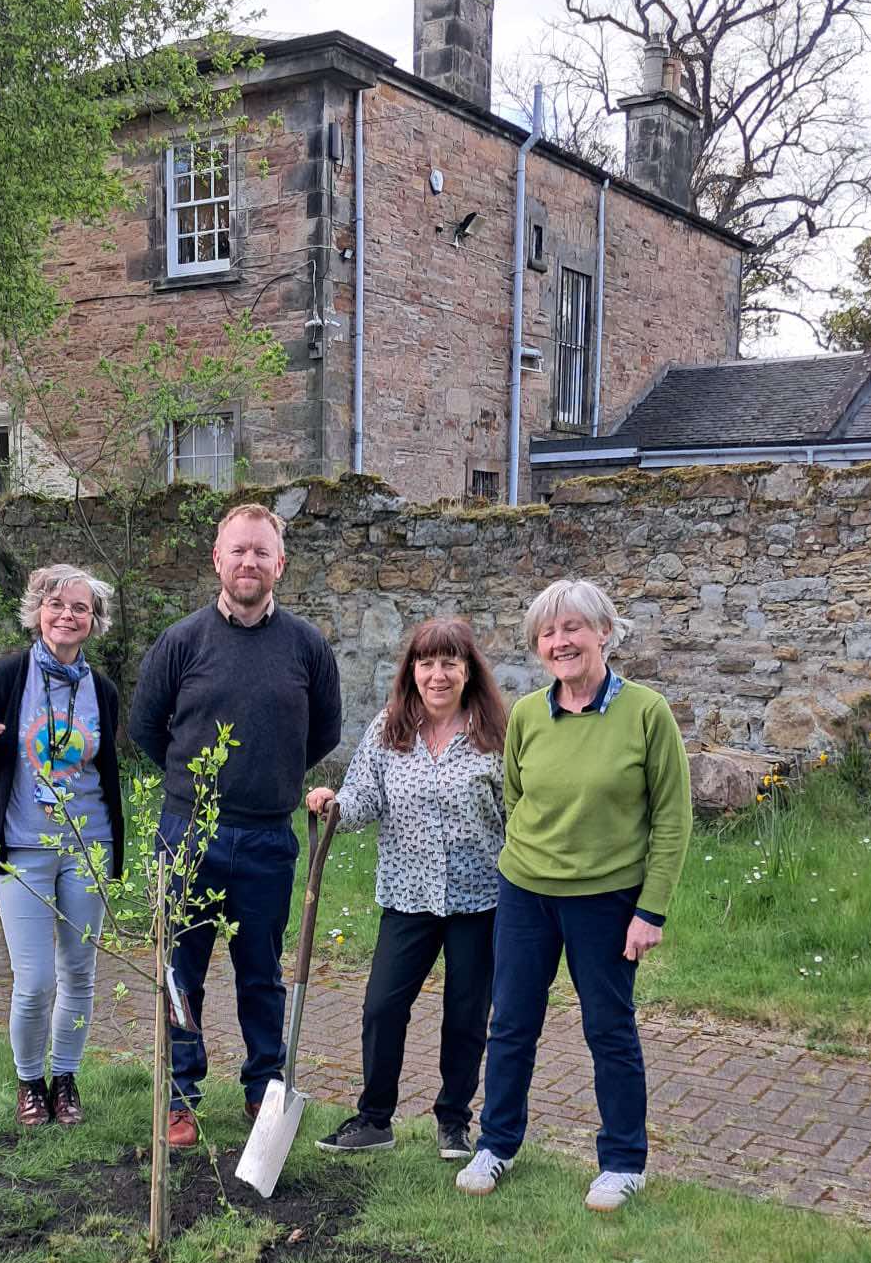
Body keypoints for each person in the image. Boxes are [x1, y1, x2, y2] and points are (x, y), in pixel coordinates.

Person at [456, 579, 691, 1212]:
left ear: (604, 633)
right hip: (526, 893)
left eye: (573, 629)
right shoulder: (529, 715)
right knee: (510, 1024)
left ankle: (622, 1161)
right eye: (547, 634)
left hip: (608, 902)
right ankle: (496, 1143)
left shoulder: (647, 713)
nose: (560, 643)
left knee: (608, 1029)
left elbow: (672, 818)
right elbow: (515, 800)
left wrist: (651, 909)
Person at [130, 502, 341, 1147]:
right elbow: (145, 729)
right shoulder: (182, 642)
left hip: (268, 839)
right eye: (237, 551)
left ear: (280, 563)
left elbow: (323, 732)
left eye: (261, 552)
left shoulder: (307, 646)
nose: (248, 562)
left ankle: (262, 1091)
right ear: (217, 560)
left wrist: (267, 780)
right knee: (180, 972)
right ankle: (179, 1096)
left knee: (260, 974)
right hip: (188, 833)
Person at [305, 618, 507, 1161]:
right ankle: (375, 1118)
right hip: (407, 896)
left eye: (449, 663)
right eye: (426, 663)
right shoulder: (389, 728)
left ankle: (453, 1122)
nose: (437, 675)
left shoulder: (496, 733)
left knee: (466, 1015)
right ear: (411, 670)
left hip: (479, 897)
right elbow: (364, 798)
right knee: (382, 1008)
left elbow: (516, 815)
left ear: (469, 671)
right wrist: (335, 805)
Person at [0, 563, 124, 1129]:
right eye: (56, 604)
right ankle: (29, 1081)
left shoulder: (101, 690)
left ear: (94, 621)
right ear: (37, 613)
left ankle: (66, 1080)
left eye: (80, 607)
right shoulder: (9, 676)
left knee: (79, 974)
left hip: (89, 845)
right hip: (25, 846)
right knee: (34, 980)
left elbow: (105, 769)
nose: (68, 615)